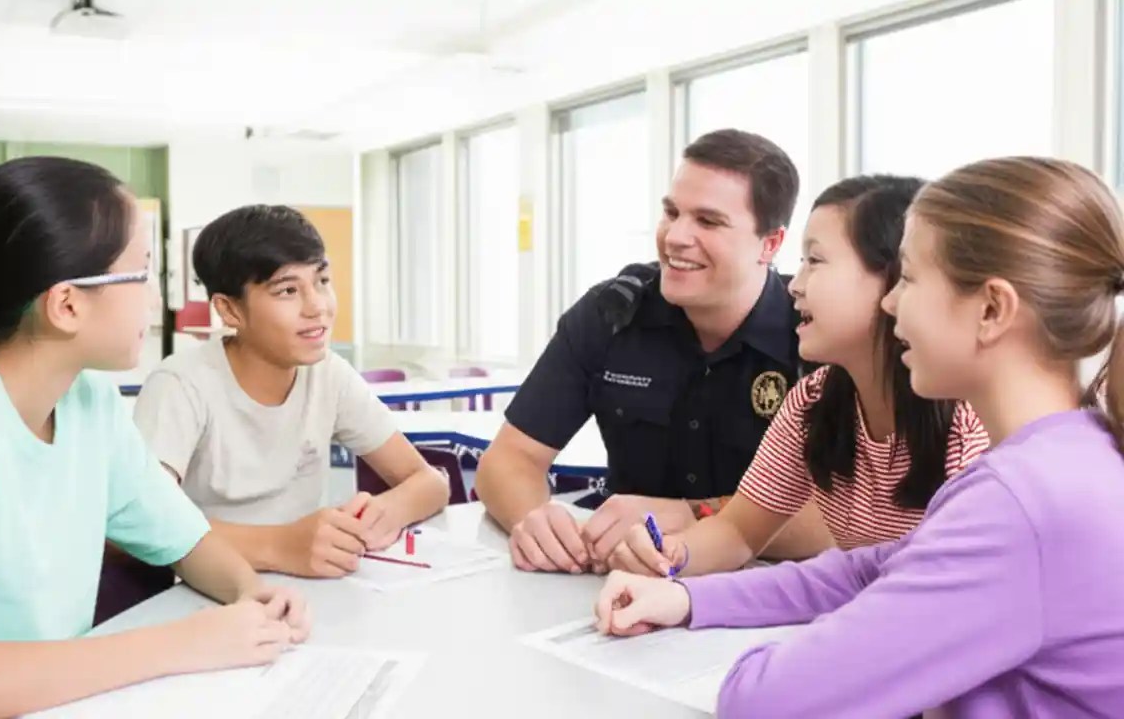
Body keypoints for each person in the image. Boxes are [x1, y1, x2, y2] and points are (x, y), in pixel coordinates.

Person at [594, 156, 1124, 717]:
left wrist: (814, 656)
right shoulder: (1072, 455)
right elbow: (872, 568)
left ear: (992, 309)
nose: (892, 304)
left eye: (912, 279)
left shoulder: (1020, 504)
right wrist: (688, 596)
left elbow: (766, 702)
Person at [0, 158, 309, 718]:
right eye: (141, 274)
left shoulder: (89, 404)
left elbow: (186, 541)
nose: (152, 293)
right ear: (67, 305)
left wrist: (247, 593)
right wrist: (183, 643)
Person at [475, 128, 822, 575]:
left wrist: (693, 513)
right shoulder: (612, 314)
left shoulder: (813, 331)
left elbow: (846, 514)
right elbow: (508, 460)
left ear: (770, 244)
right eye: (672, 212)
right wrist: (535, 521)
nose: (676, 237)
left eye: (708, 221)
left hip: (772, 597)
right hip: (620, 591)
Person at [604, 174, 989, 578]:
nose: (795, 286)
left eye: (816, 261)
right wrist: (670, 555)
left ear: (894, 278)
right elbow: (738, 531)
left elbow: (954, 594)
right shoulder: (813, 400)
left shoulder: (966, 424)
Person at [133, 205, 449, 578]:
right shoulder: (182, 384)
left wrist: (388, 512)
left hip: (308, 589)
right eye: (287, 290)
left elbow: (430, 482)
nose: (317, 306)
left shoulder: (328, 374)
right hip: (203, 594)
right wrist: (280, 545)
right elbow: (145, 524)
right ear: (230, 310)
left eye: (322, 281)